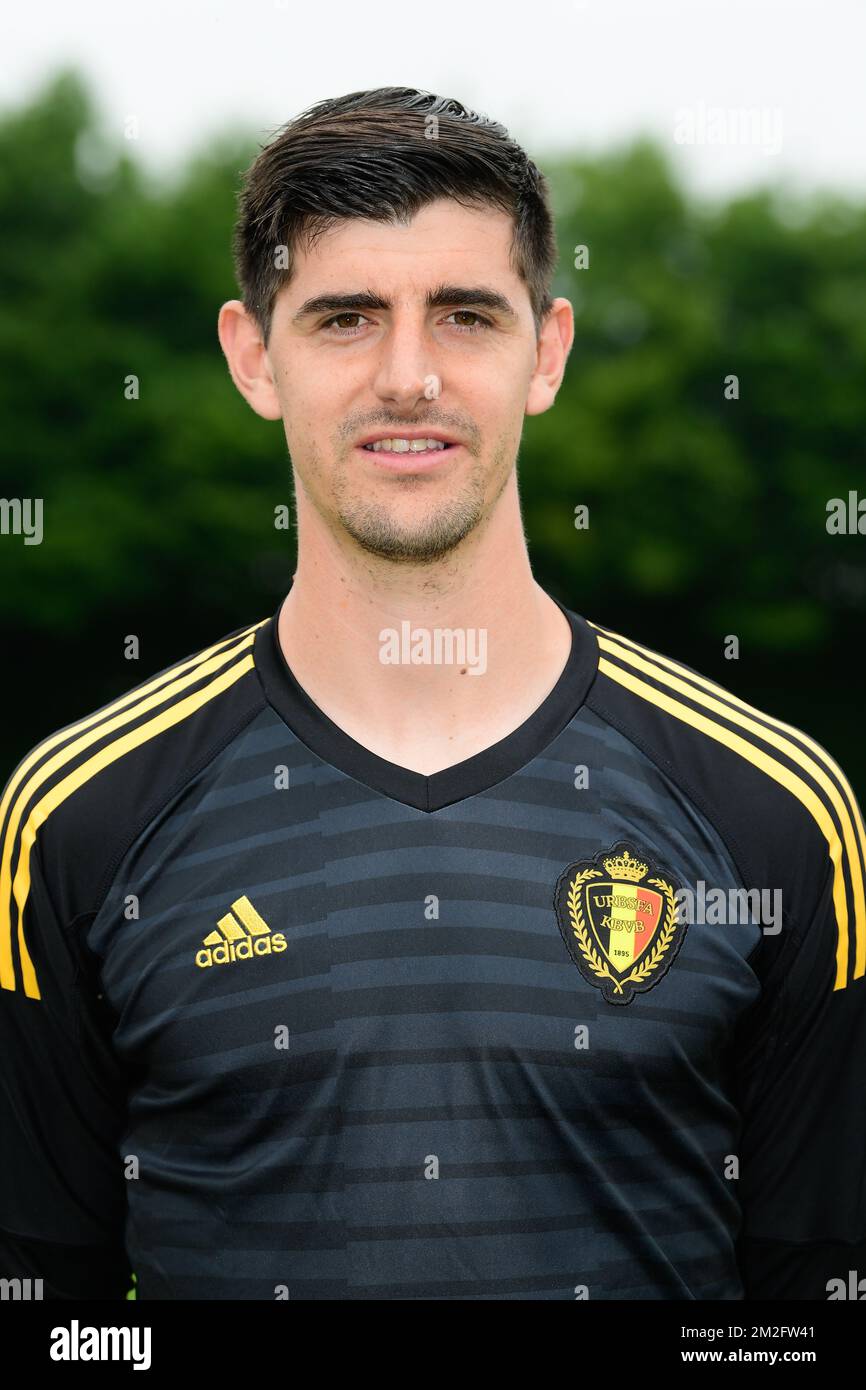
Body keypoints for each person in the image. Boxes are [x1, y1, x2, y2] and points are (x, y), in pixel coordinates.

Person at [1, 87, 864, 1301]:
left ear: (545, 351)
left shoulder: (775, 811)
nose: (408, 377)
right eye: (345, 318)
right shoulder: (74, 821)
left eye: (463, 315)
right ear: (254, 360)